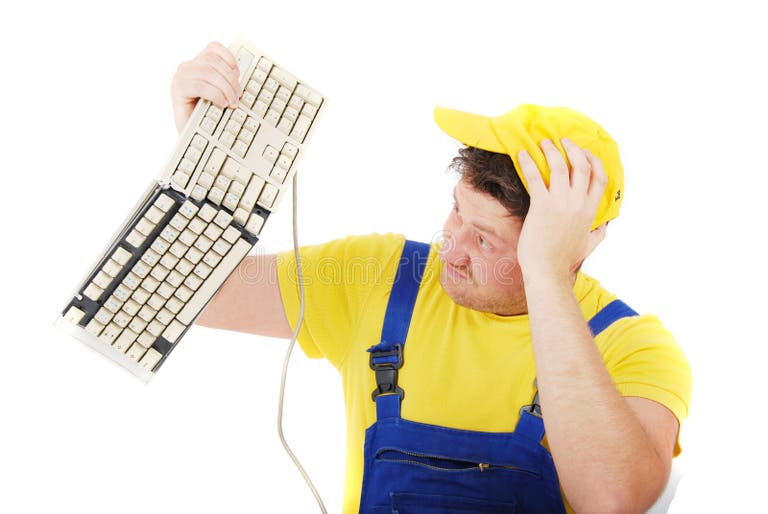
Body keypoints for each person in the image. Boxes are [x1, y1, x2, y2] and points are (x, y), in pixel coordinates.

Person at [172, 42, 692, 513]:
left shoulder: (633, 347)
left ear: (570, 249)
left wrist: (547, 276)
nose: (452, 248)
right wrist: (206, 160)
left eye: (486, 240)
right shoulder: (379, 276)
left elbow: (615, 500)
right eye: (456, 212)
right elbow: (192, 290)